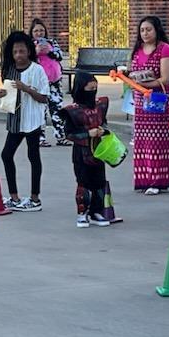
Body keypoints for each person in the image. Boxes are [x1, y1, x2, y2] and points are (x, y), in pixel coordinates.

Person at [0, 31, 50, 211]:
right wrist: (1, 93)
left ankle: (35, 199)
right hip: (15, 118)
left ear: (29, 51)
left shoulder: (37, 70)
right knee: (6, 155)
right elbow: (7, 91)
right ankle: (14, 197)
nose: (18, 55)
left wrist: (27, 89)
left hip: (32, 119)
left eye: (22, 51)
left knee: (33, 156)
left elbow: (44, 97)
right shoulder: (9, 70)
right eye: (15, 52)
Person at [63, 72, 120, 228]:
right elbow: (69, 134)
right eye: (90, 89)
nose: (93, 92)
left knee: (99, 182)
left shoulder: (100, 106)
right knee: (83, 182)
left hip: (98, 151)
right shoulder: (72, 111)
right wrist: (88, 133)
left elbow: (104, 123)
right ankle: (82, 213)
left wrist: (103, 130)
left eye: (95, 88)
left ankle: (96, 212)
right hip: (81, 153)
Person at [129, 16, 169, 195]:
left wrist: (143, 85)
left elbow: (165, 79)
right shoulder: (138, 49)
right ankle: (144, 178)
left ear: (157, 30)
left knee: (158, 139)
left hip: (159, 98)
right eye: (142, 30)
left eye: (148, 29)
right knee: (142, 139)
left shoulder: (165, 49)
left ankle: (158, 179)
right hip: (141, 99)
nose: (145, 33)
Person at [29, 18, 70, 147]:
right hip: (39, 83)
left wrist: (50, 52)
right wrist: (35, 52)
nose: (39, 33)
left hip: (54, 81)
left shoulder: (52, 42)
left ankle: (61, 137)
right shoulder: (29, 45)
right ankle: (40, 139)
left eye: (41, 30)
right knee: (41, 110)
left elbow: (59, 56)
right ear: (31, 32)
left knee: (57, 109)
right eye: (36, 31)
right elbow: (26, 60)